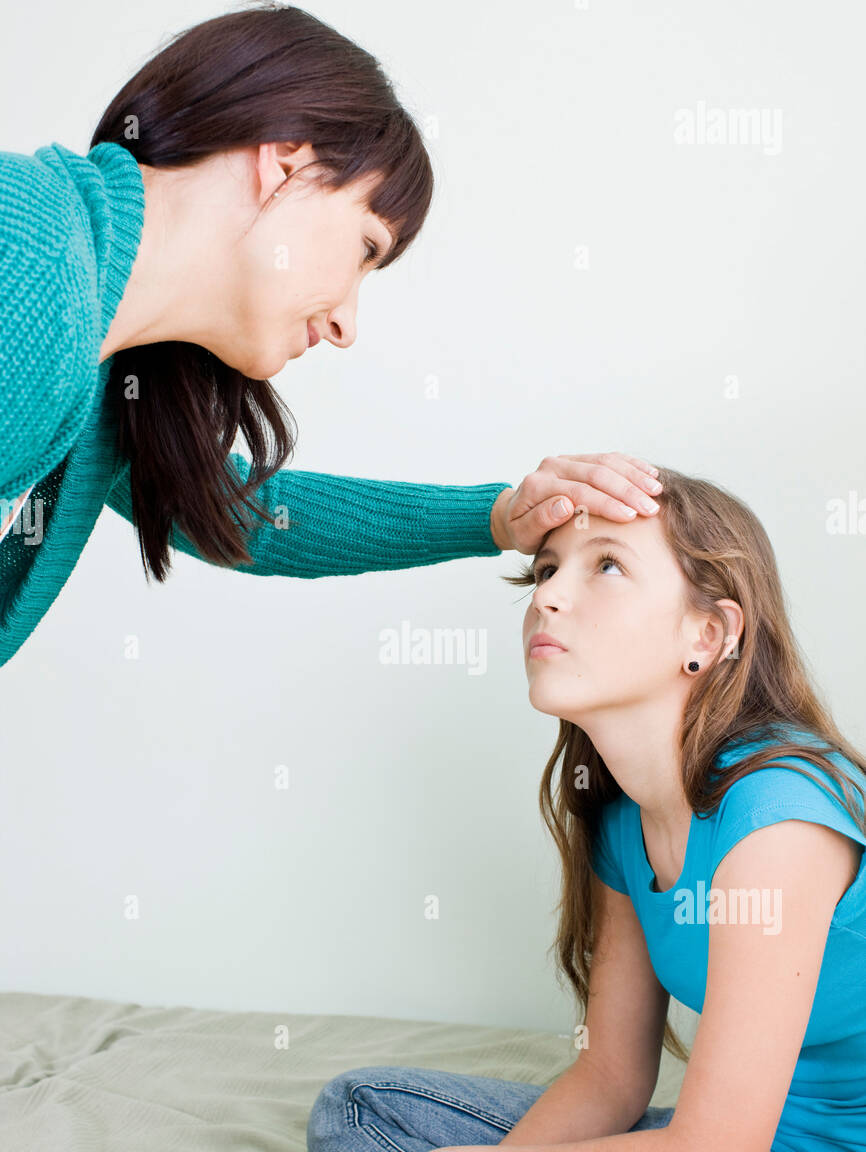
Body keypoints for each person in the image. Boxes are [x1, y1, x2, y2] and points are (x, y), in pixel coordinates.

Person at [306, 466, 866, 1152]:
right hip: (717, 1150)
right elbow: (610, 1078)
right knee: (356, 1112)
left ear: (708, 635)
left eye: (605, 565)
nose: (549, 599)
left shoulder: (779, 818)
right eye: (545, 569)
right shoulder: (620, 816)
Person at [0, 3, 662, 670]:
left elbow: (245, 511)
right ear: (287, 165)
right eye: (366, 249)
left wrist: (498, 518)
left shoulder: (106, 367)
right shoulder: (29, 260)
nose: (346, 322)